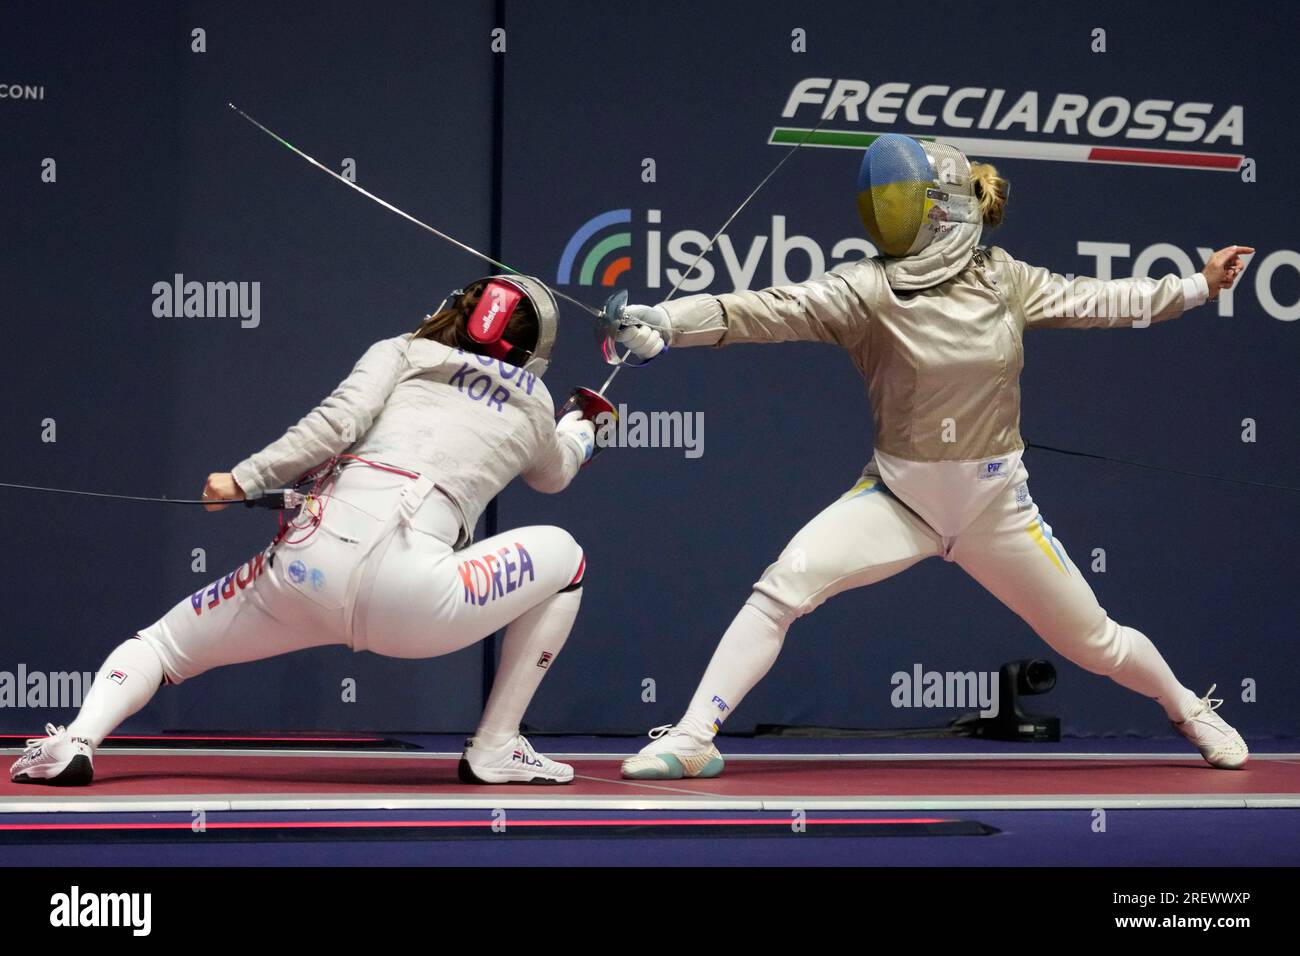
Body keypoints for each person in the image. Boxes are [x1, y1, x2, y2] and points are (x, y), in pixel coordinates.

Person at [611, 133, 1253, 779]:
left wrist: (1198, 285)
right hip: (898, 500)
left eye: (898, 200)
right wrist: (666, 323)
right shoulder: (867, 290)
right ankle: (695, 736)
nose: (884, 216)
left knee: (1096, 642)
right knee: (782, 588)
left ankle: (1191, 710)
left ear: (943, 207)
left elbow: (1107, 301)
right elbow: (762, 310)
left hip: (996, 510)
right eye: (879, 204)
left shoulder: (1006, 280)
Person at [11, 275, 597, 787]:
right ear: (531, 349)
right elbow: (557, 474)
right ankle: (495, 747)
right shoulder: (534, 404)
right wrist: (583, 426)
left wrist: (244, 479)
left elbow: (337, 423)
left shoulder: (404, 351)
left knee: (161, 645)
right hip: (421, 600)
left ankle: (76, 741)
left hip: (306, 568)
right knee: (565, 557)